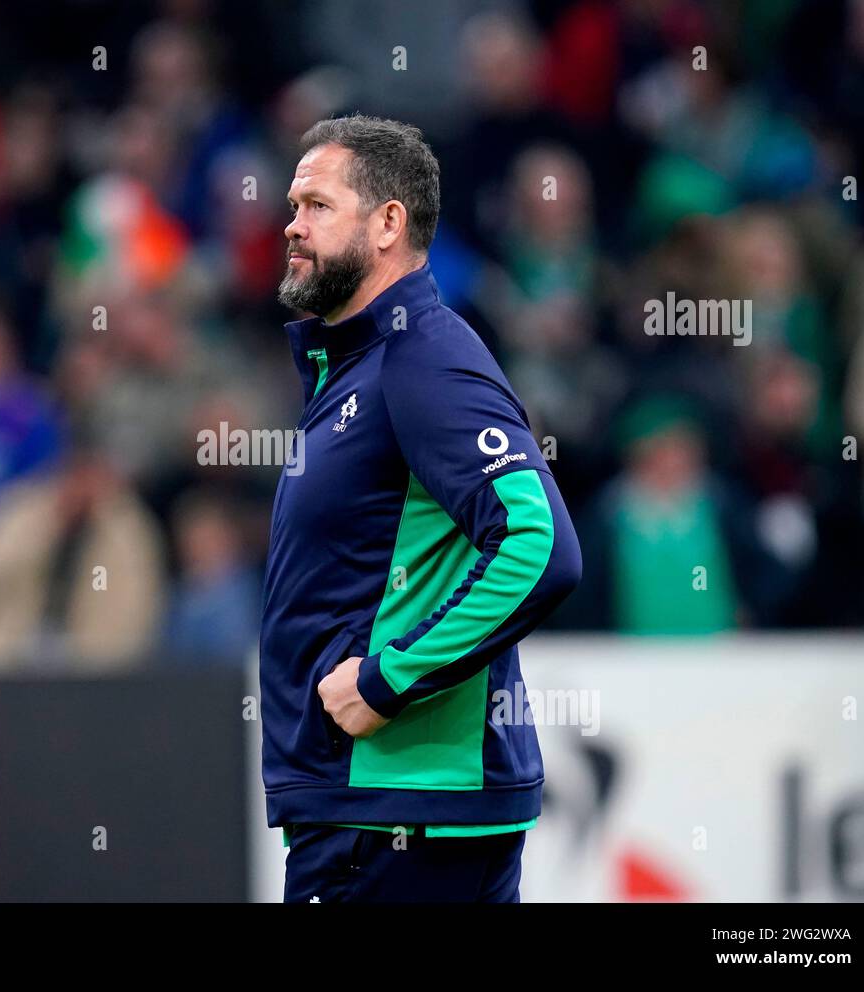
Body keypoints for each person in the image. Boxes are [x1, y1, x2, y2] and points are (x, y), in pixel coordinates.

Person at [261, 115, 582, 903]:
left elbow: (541, 547)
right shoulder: (364, 362)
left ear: (388, 224)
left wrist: (384, 681)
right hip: (382, 810)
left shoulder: (421, 357)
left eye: (316, 206)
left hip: (396, 817)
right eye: (292, 206)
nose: (291, 227)